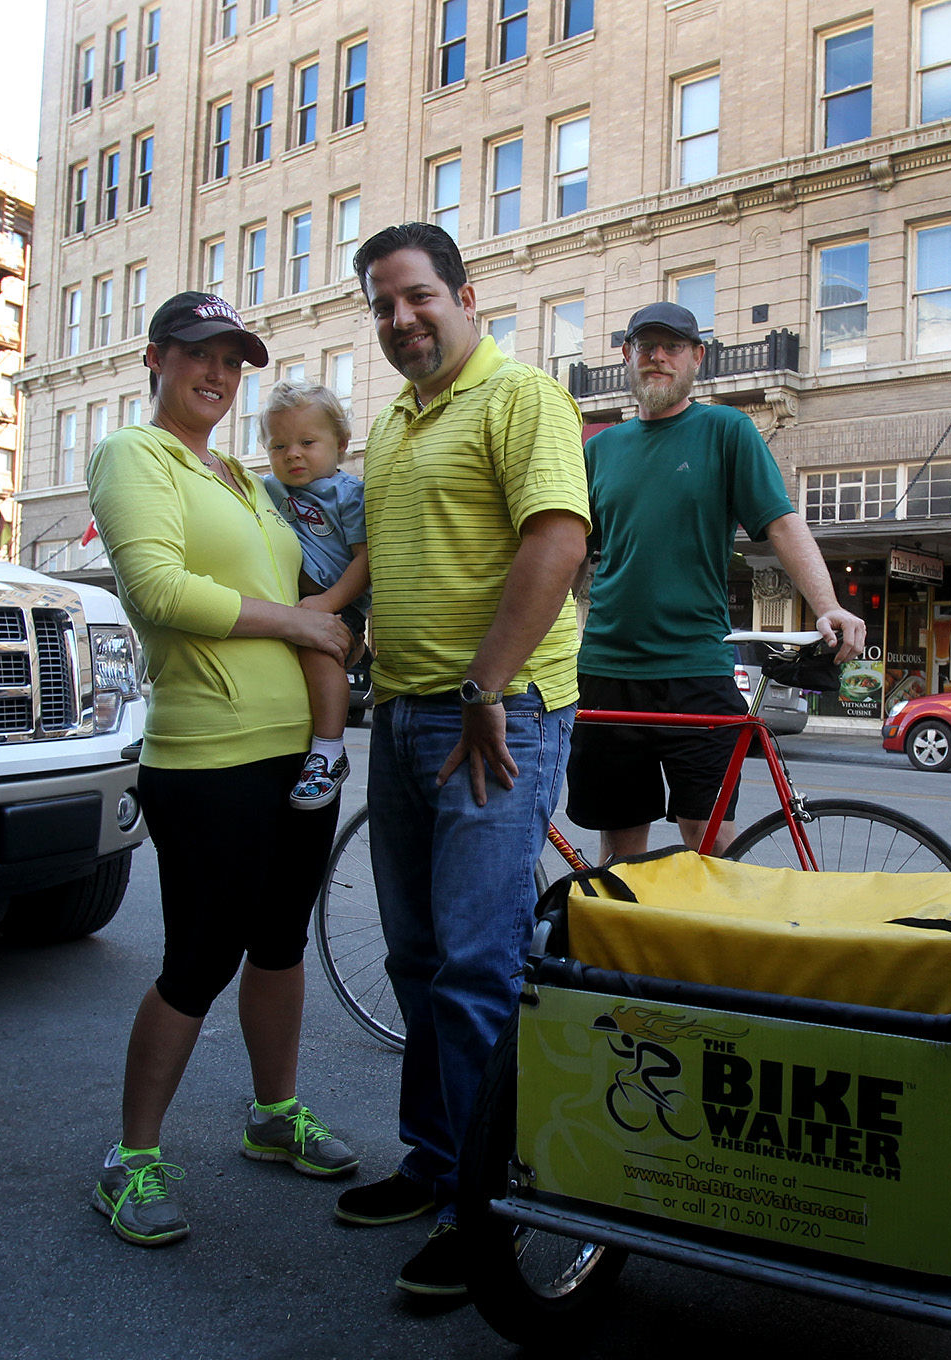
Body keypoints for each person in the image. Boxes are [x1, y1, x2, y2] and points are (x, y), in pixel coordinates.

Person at [330, 223, 589, 1298]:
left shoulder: (520, 397)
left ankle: (485, 1211)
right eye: (382, 306)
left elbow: (556, 540)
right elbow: (381, 560)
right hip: (402, 719)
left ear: (466, 296)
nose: (400, 320)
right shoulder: (392, 422)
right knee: (416, 962)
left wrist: (484, 686)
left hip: (497, 714)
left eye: (417, 297)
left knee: (478, 966)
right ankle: (436, 1163)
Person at [84, 291, 360, 1249]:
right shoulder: (135, 455)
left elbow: (306, 582)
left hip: (297, 753)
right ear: (156, 360)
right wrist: (297, 622)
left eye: (233, 361)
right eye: (200, 355)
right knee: (199, 957)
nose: (218, 375)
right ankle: (132, 1158)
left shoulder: (246, 479)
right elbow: (156, 588)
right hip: (208, 756)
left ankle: (273, 1114)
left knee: (279, 942)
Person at [567, 300, 866, 862]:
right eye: (645, 346)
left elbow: (780, 522)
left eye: (672, 346)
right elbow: (572, 553)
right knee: (620, 850)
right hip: (607, 671)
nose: (657, 357)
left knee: (711, 844)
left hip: (695, 669)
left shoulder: (725, 430)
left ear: (696, 358)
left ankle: (722, 948)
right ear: (627, 355)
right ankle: (633, 949)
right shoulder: (600, 448)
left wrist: (828, 605)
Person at [259, 379, 371, 809]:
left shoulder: (348, 494)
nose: (292, 454)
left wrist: (328, 603)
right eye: (278, 446)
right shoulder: (268, 489)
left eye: (307, 442)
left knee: (317, 653)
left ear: (340, 444)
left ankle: (329, 751)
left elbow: (366, 560)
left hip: (334, 600)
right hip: (286, 601)